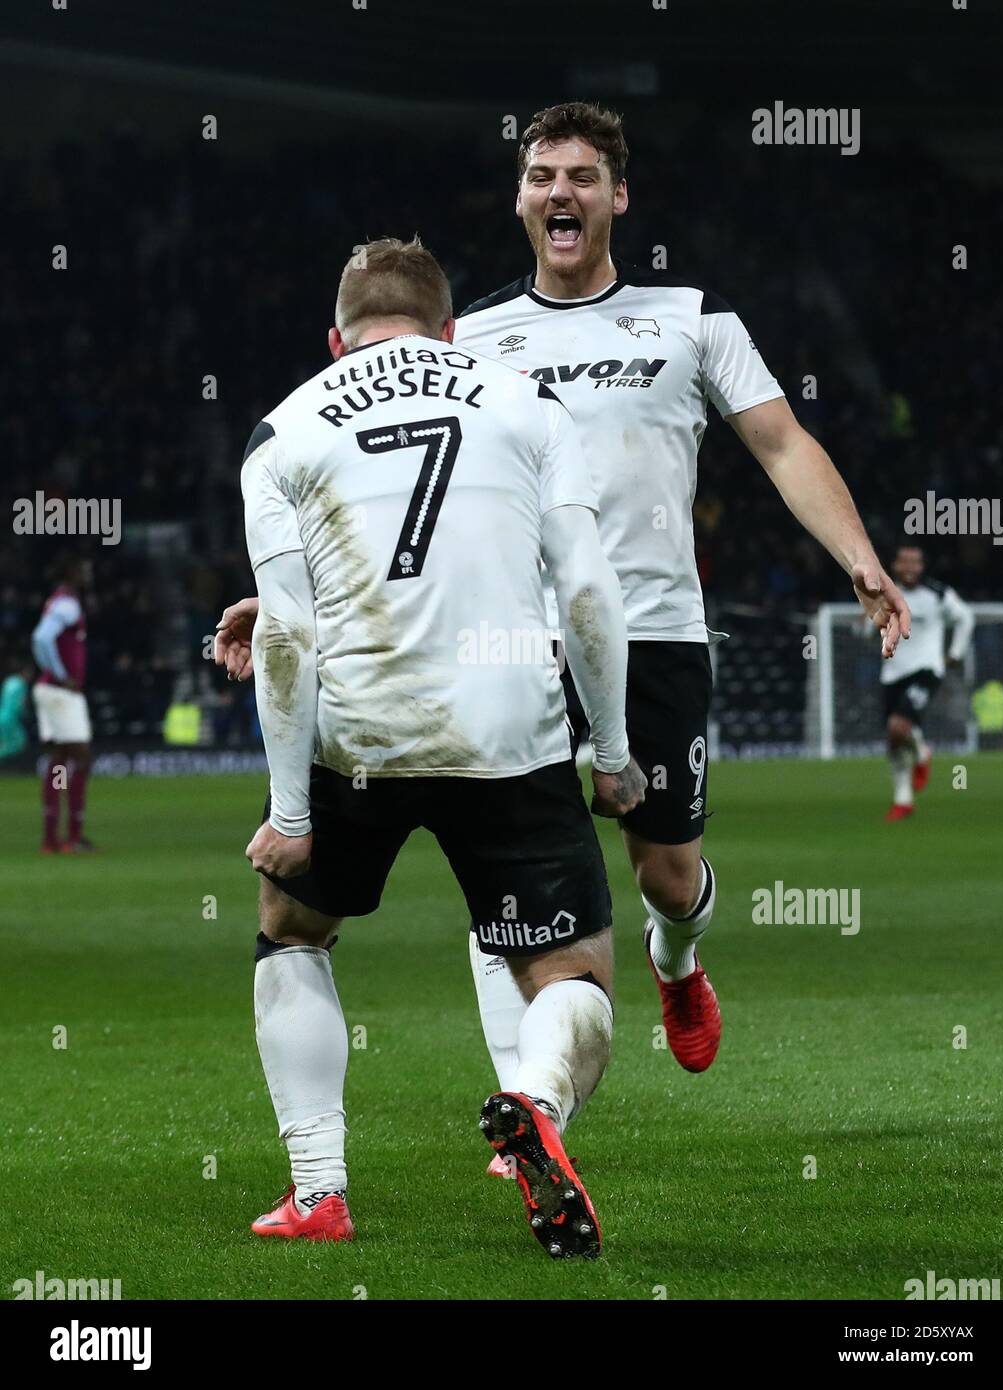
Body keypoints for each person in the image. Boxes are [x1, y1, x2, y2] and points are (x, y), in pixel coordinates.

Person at [452, 101, 910, 1091]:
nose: (560, 192)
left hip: (655, 632)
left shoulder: (696, 320)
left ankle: (677, 959)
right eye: (542, 176)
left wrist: (859, 558)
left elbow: (783, 444)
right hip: (518, 642)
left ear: (619, 196)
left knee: (664, 872)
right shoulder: (473, 337)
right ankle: (530, 1101)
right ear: (521, 197)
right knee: (513, 874)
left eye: (580, 176)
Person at [232, 236, 644, 1257]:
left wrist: (291, 816)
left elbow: (289, 634)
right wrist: (616, 751)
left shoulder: (283, 431)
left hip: (361, 736)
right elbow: (588, 590)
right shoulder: (521, 399)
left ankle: (320, 1192)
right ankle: (535, 1105)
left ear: (337, 339)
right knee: (572, 975)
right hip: (509, 728)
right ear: (451, 330)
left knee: (291, 927)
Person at [878, 544, 973, 821]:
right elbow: (864, 631)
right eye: (904, 562)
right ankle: (903, 800)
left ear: (922, 566)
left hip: (926, 670)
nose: (909, 567)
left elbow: (965, 618)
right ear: (894, 565)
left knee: (899, 727)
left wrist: (954, 654)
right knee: (895, 741)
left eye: (915, 562)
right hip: (892, 673)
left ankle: (922, 752)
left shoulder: (938, 594)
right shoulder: (884, 594)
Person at [30, 558, 96, 853]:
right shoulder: (67, 605)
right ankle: (72, 836)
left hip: (52, 690)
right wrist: (60, 674)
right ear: (72, 573)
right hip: (61, 693)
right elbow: (41, 637)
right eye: (84, 569)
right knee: (81, 760)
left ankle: (51, 838)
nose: (88, 574)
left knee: (59, 761)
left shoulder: (58, 601)